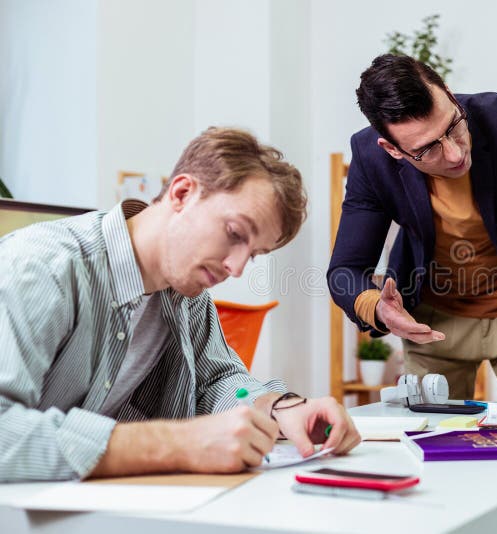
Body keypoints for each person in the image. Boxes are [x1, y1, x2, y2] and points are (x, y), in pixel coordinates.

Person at [0, 127, 360, 482]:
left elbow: (218, 381)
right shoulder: (39, 266)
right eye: (234, 233)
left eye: (253, 254)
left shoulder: (188, 295)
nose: (236, 268)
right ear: (182, 193)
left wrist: (283, 408)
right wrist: (177, 443)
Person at [327, 54, 497, 400]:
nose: (455, 154)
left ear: (448, 92)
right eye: (428, 149)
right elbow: (346, 269)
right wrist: (379, 308)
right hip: (432, 326)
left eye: (453, 126)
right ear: (392, 149)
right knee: (426, 433)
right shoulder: (371, 158)